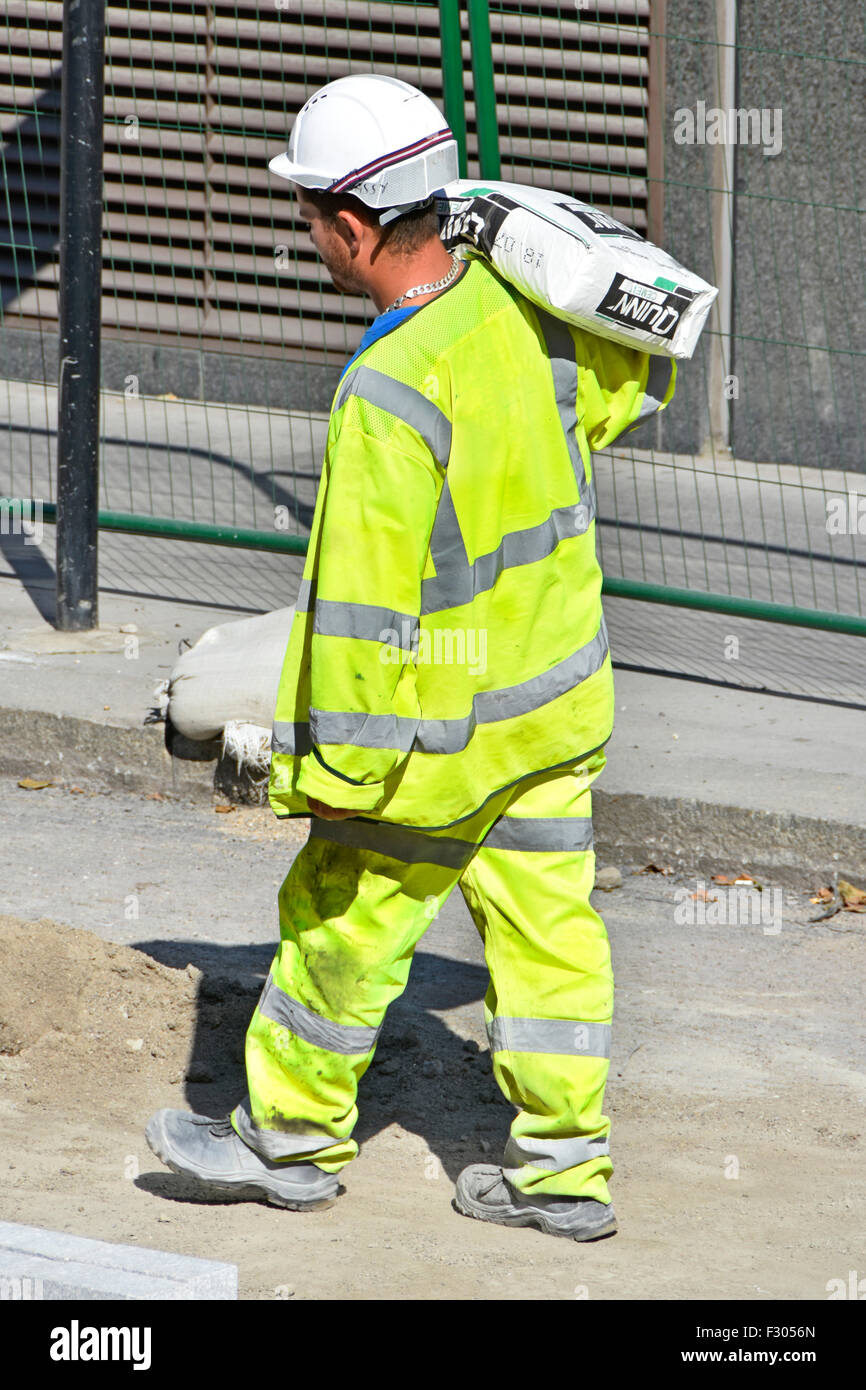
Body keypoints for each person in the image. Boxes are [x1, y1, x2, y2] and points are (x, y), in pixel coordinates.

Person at [146, 73, 676, 1240]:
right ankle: (561, 1174)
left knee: (339, 919)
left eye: (308, 219)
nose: (310, 239)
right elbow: (632, 384)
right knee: (549, 943)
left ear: (348, 226)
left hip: (438, 741)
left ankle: (285, 1144)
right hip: (552, 710)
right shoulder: (525, 315)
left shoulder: (384, 390)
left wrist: (319, 776)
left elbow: (359, 615)